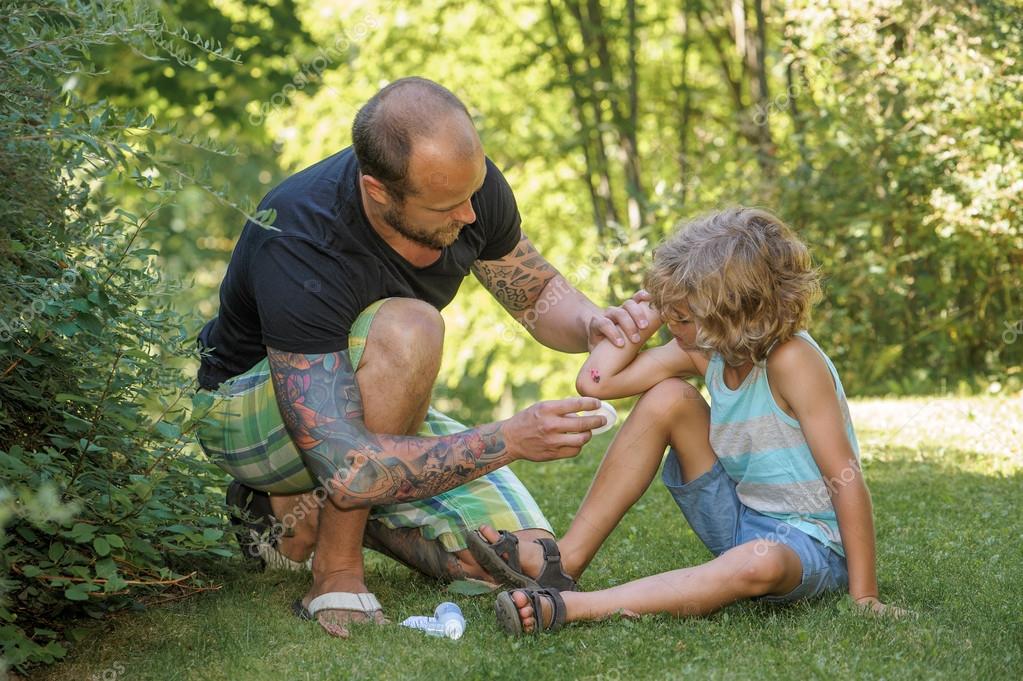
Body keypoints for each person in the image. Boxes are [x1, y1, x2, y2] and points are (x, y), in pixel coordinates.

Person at [193, 77, 648, 638]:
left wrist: (592, 322)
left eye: (472, 191)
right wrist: (510, 439)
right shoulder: (301, 233)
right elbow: (345, 467)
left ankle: (284, 518)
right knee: (412, 327)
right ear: (378, 191)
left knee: (523, 561)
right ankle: (336, 570)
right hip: (254, 412)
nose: (471, 214)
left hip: (365, 412)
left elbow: (533, 295)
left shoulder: (466, 186)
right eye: (448, 205)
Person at [482, 207, 907, 635]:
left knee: (762, 560)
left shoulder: (793, 361)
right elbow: (595, 381)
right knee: (668, 397)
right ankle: (567, 560)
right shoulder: (704, 350)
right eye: (669, 313)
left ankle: (575, 608)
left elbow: (845, 477)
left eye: (682, 318)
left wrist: (865, 595)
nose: (672, 326)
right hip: (740, 517)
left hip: (807, 543)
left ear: (735, 315)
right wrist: (641, 321)